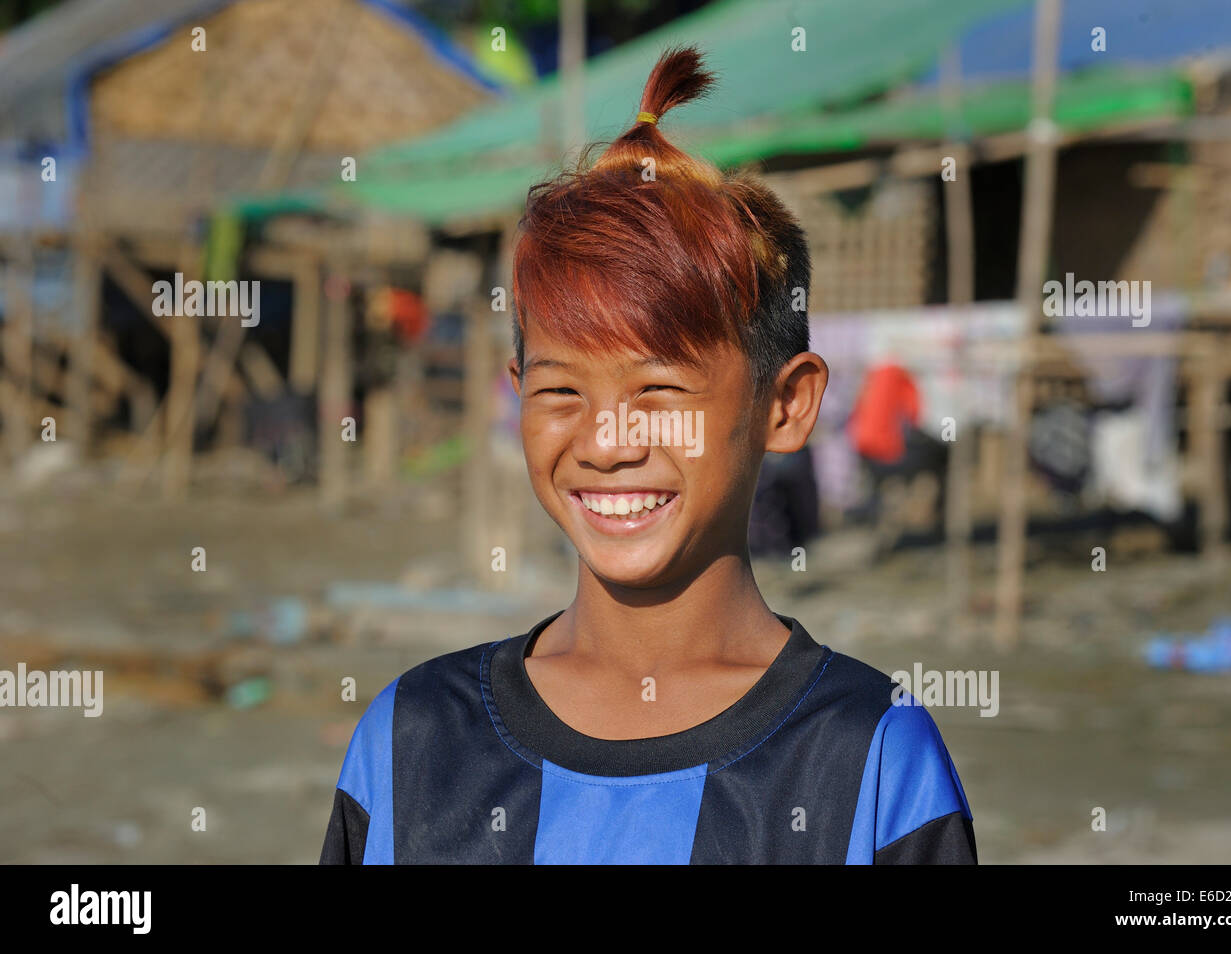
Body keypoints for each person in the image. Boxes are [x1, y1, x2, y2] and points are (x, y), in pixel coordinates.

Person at [320, 45, 975, 865]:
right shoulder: (410, 739)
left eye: (660, 393)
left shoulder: (869, 756)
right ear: (516, 391)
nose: (605, 443)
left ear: (787, 404)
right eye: (561, 392)